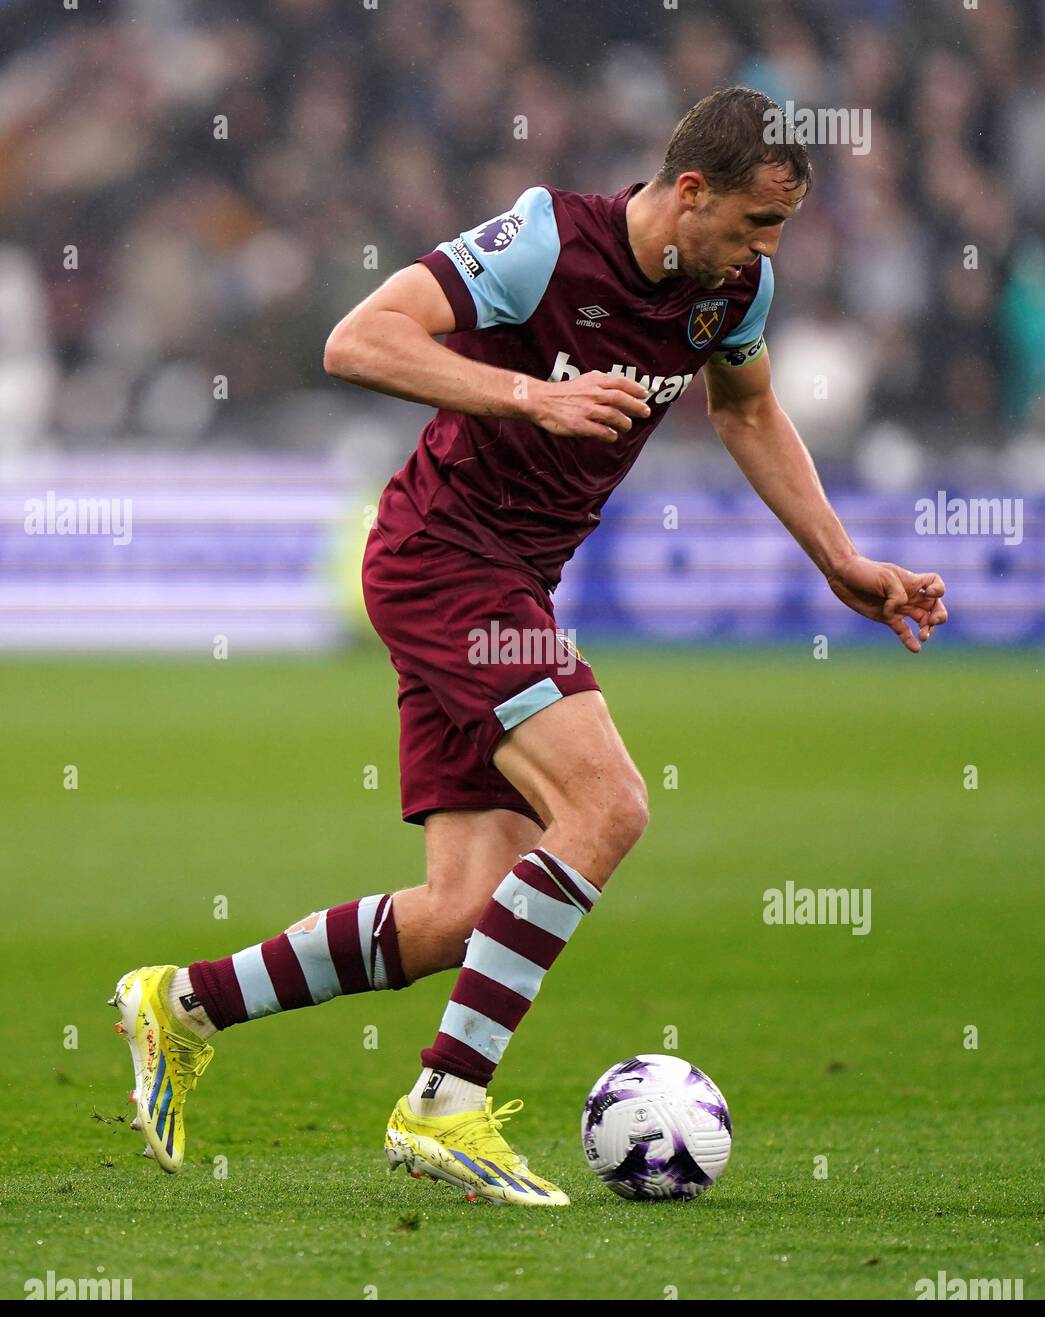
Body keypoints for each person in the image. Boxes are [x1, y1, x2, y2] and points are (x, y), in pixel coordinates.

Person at [109, 87, 946, 1206]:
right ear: (688, 191)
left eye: (778, 230)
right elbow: (357, 340)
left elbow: (745, 410)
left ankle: (180, 1002)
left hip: (513, 583)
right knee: (607, 806)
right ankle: (443, 1106)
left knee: (461, 911)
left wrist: (840, 559)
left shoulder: (729, 283)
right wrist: (526, 398)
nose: (766, 250)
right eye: (755, 222)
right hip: (441, 555)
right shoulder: (546, 240)